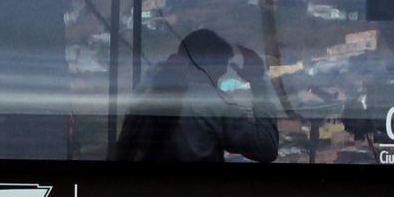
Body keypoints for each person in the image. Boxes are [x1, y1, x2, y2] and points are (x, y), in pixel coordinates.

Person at [117, 28, 278, 163]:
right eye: (218, 74)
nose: (217, 82)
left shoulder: (145, 93)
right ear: (205, 66)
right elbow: (266, 147)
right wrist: (258, 81)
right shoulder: (210, 102)